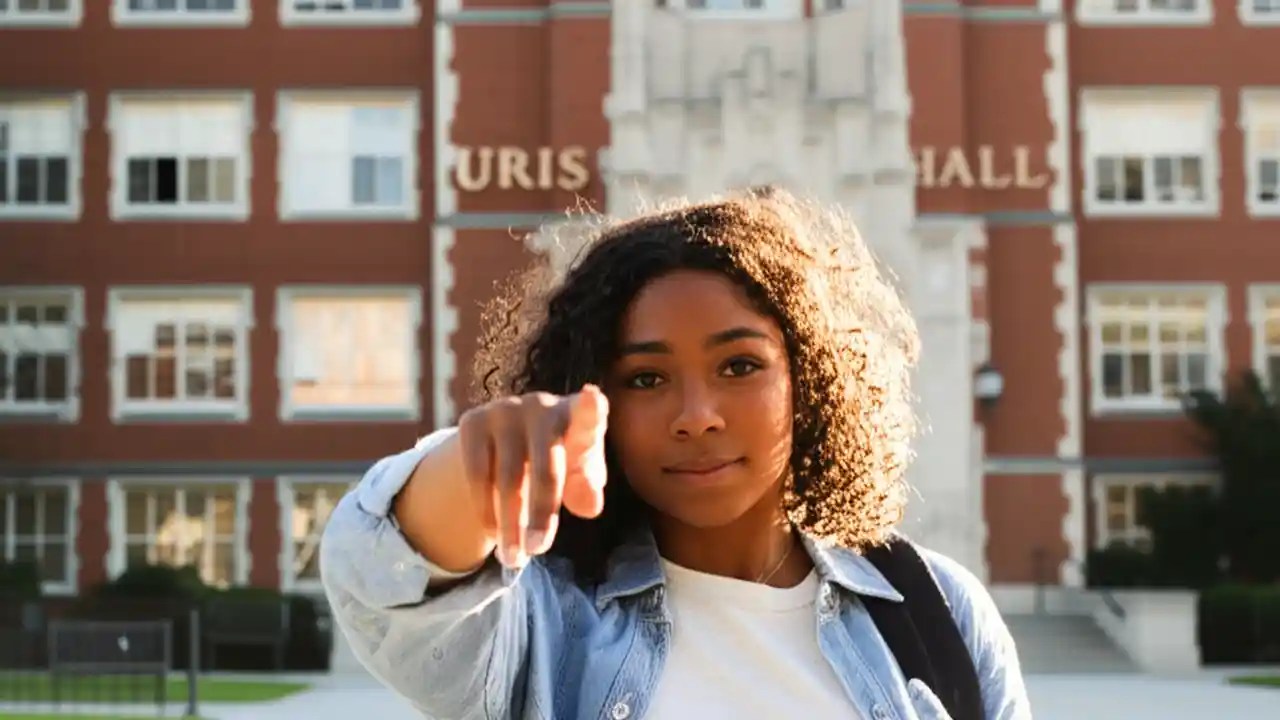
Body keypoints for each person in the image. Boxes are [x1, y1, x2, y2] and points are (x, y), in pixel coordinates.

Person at [320, 188, 1031, 720]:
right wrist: (469, 473)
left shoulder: (936, 611)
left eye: (740, 366)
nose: (696, 417)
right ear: (598, 396)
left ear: (807, 379)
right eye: (646, 379)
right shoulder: (543, 621)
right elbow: (378, 578)